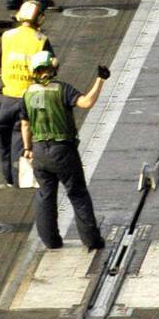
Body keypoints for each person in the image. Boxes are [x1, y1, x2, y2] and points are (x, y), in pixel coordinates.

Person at [19, 51, 108, 251]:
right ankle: (91, 240)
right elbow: (86, 102)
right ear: (52, 68)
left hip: (39, 152)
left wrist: (27, 149)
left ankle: (51, 241)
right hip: (63, 151)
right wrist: (100, 80)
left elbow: (25, 124)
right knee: (77, 193)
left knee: (45, 195)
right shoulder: (62, 89)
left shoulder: (27, 94)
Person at [0, 1, 51, 186]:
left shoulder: (7, 36)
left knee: (4, 137)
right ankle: (20, 178)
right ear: (40, 18)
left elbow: (0, 61)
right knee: (23, 137)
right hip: (31, 96)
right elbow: (49, 68)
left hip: (9, 95)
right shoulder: (41, 40)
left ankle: (8, 176)